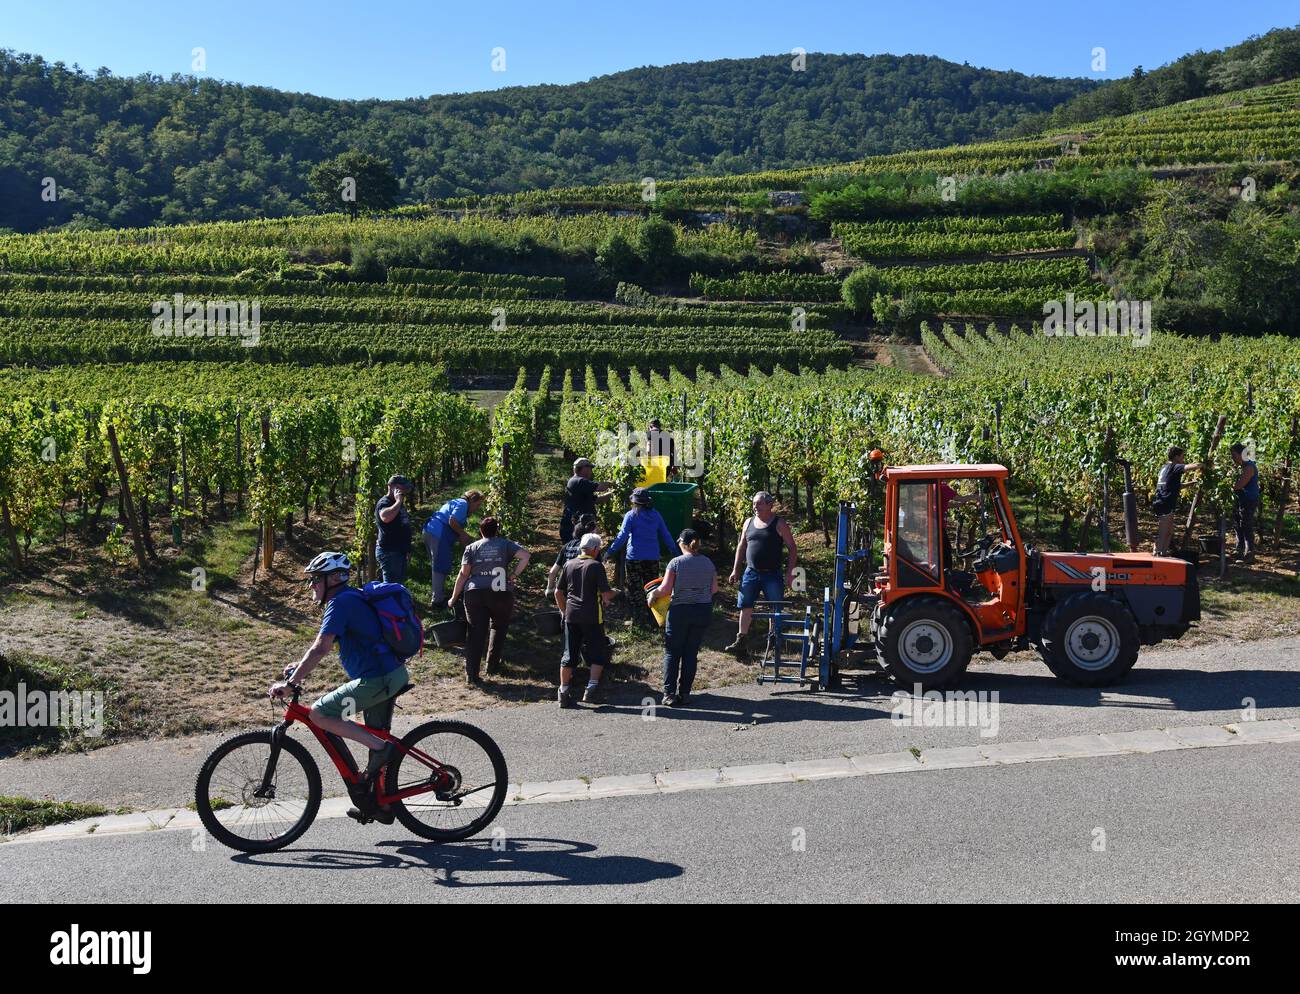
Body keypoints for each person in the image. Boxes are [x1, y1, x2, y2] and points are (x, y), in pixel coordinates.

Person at [270, 551, 409, 825]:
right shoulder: (350, 598)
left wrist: (290, 684)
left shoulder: (340, 603)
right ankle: (379, 804)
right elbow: (324, 647)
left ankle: (383, 751)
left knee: (320, 714)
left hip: (378, 678)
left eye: (315, 580)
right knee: (377, 735)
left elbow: (321, 647)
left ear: (332, 579)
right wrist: (297, 670)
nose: (311, 585)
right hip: (388, 674)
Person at [448, 517, 529, 685]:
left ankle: (472, 675)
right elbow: (525, 556)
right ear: (496, 530)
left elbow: (464, 574)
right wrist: (513, 576)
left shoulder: (471, 547)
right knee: (499, 627)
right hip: (500, 589)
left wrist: (454, 597)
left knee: (475, 633)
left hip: (475, 592)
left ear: (480, 531)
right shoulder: (505, 544)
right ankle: (492, 666)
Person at [647, 528, 717, 707]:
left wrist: (652, 595)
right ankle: (685, 693)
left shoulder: (676, 563)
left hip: (680, 611)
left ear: (682, 544)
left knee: (672, 652)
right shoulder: (708, 563)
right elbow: (714, 589)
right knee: (690, 653)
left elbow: (665, 590)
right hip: (702, 610)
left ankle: (669, 694)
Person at [725, 492, 798, 657]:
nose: (755, 507)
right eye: (753, 504)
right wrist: (736, 569)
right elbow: (741, 546)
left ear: (769, 505)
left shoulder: (779, 524)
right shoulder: (748, 522)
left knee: (775, 607)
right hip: (751, 572)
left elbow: (792, 548)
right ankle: (741, 641)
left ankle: (775, 640)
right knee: (745, 605)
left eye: (759, 504)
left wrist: (790, 573)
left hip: (772, 574)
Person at [555, 532, 616, 708]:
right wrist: (617, 593)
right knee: (597, 653)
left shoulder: (569, 564)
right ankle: (591, 690)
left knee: (569, 654)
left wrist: (563, 611)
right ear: (595, 549)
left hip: (571, 615)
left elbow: (558, 592)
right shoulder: (596, 566)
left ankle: (563, 692)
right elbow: (606, 594)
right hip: (592, 616)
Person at [605, 487, 677, 628]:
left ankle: (638, 620)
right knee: (651, 588)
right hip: (652, 558)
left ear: (635, 502)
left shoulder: (631, 515)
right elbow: (666, 534)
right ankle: (653, 618)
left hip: (634, 558)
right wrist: (675, 551)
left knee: (635, 589)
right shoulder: (656, 515)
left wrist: (610, 551)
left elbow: (622, 536)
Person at [423, 489, 485, 608]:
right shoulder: (463, 504)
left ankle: (438, 595)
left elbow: (457, 531)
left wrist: (468, 546)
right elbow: (452, 521)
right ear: (472, 500)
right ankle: (437, 601)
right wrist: (463, 534)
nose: (477, 508)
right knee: (440, 566)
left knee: (437, 565)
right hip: (438, 533)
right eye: (477, 505)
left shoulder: (457, 503)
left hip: (431, 531)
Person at [1152, 446, 1206, 556]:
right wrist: (1203, 464)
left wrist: (1191, 483)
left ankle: (1162, 553)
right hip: (1166, 503)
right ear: (1176, 457)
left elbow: (1173, 486)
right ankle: (1157, 554)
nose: (1184, 458)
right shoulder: (1174, 467)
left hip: (1162, 502)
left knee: (1169, 531)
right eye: (1182, 456)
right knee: (1164, 532)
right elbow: (1190, 467)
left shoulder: (1165, 468)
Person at [561, 458, 614, 544]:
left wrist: (612, 494)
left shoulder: (578, 483)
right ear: (584, 468)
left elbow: (596, 500)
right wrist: (613, 483)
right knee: (577, 550)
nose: (591, 471)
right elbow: (601, 487)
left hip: (578, 526)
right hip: (575, 527)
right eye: (590, 468)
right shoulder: (579, 481)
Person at [374, 475, 414, 583]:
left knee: (398, 583)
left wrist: (407, 549)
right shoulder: (385, 502)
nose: (405, 491)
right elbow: (385, 517)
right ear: (392, 487)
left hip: (399, 551)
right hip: (389, 551)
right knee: (391, 587)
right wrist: (398, 501)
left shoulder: (397, 503)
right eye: (403, 488)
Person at [1230, 442, 1260, 562]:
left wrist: (1229, 484)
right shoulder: (1242, 466)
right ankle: (1239, 550)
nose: (1232, 458)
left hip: (1249, 500)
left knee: (1246, 525)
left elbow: (1239, 485)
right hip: (1241, 499)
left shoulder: (1249, 467)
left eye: (1234, 455)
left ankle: (1249, 553)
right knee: (1238, 524)